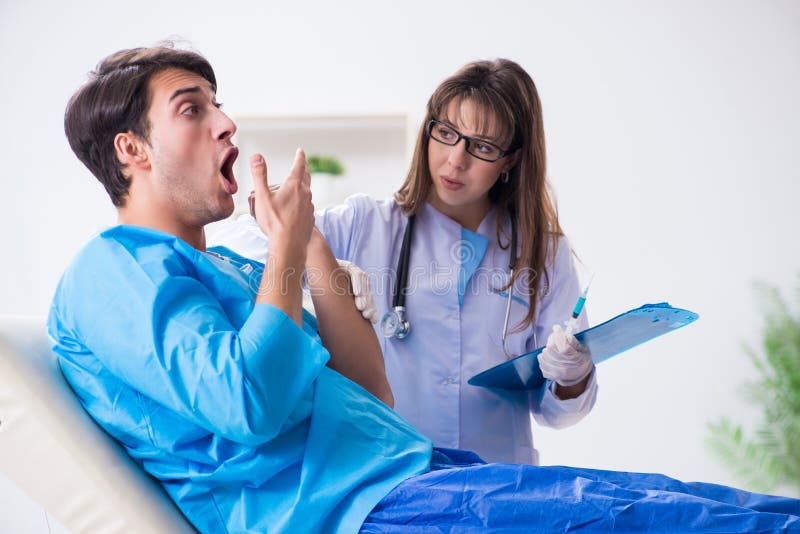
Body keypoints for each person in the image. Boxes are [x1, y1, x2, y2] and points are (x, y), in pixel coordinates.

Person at [49, 43, 800, 533]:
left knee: (682, 503)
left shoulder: (232, 273)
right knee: (681, 523)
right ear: (130, 149)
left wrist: (306, 247)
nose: (227, 122)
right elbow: (249, 402)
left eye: (480, 147)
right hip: (364, 507)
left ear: (509, 161)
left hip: (421, 474)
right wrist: (289, 244)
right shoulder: (112, 270)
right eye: (194, 108)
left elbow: (370, 393)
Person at [213, 58, 596, 464]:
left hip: (497, 483)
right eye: (446, 133)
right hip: (395, 481)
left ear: (512, 160)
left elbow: (558, 412)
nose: (455, 160)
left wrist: (572, 377)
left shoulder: (543, 253)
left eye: (482, 147)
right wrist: (317, 256)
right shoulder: (367, 224)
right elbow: (242, 239)